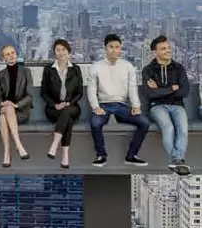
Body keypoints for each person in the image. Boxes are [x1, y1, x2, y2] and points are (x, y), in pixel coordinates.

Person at [86, 34, 150, 167]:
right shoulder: (96, 67)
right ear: (105, 48)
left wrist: (136, 105)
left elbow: (132, 88)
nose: (114, 50)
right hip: (103, 104)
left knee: (143, 122)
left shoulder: (128, 66)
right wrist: (96, 107)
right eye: (111, 47)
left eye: (117, 47)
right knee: (95, 123)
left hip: (122, 105)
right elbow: (91, 90)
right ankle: (101, 155)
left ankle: (131, 155)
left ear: (120, 48)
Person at [143, 35, 192, 175]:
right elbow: (150, 94)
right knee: (168, 128)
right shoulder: (148, 70)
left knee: (182, 130)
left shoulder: (179, 68)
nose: (168, 51)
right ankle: (178, 160)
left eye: (168, 48)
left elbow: (185, 91)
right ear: (155, 52)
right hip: (157, 107)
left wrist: (159, 89)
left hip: (177, 105)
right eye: (163, 49)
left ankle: (176, 161)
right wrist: (171, 88)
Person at [40, 39, 83, 169]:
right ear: (54, 52)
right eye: (58, 50)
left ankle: (54, 144)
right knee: (67, 118)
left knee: (68, 111)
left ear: (68, 51)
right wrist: (55, 105)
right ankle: (65, 155)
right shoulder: (48, 69)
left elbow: (80, 93)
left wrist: (69, 102)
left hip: (72, 106)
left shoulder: (76, 69)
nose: (61, 52)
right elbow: (44, 93)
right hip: (54, 109)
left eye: (63, 50)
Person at [0, 44, 32, 168]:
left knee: (3, 117)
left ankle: (7, 153)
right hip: (4, 108)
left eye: (12, 53)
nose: (11, 56)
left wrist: (15, 105)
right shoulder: (0, 75)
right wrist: (4, 103)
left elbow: (29, 96)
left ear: (16, 54)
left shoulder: (26, 71)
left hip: (20, 111)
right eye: (7, 54)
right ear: (3, 58)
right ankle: (19, 145)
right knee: (6, 110)